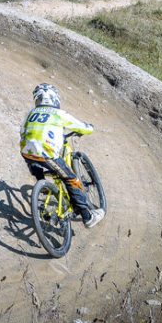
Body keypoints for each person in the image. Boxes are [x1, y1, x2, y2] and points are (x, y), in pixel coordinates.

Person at [19, 83, 105, 228]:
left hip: (26, 151)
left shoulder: (30, 113)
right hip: (46, 154)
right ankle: (88, 217)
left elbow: (22, 132)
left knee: (33, 158)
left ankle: (42, 183)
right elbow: (82, 127)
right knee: (72, 180)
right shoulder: (58, 114)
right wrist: (89, 127)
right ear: (54, 99)